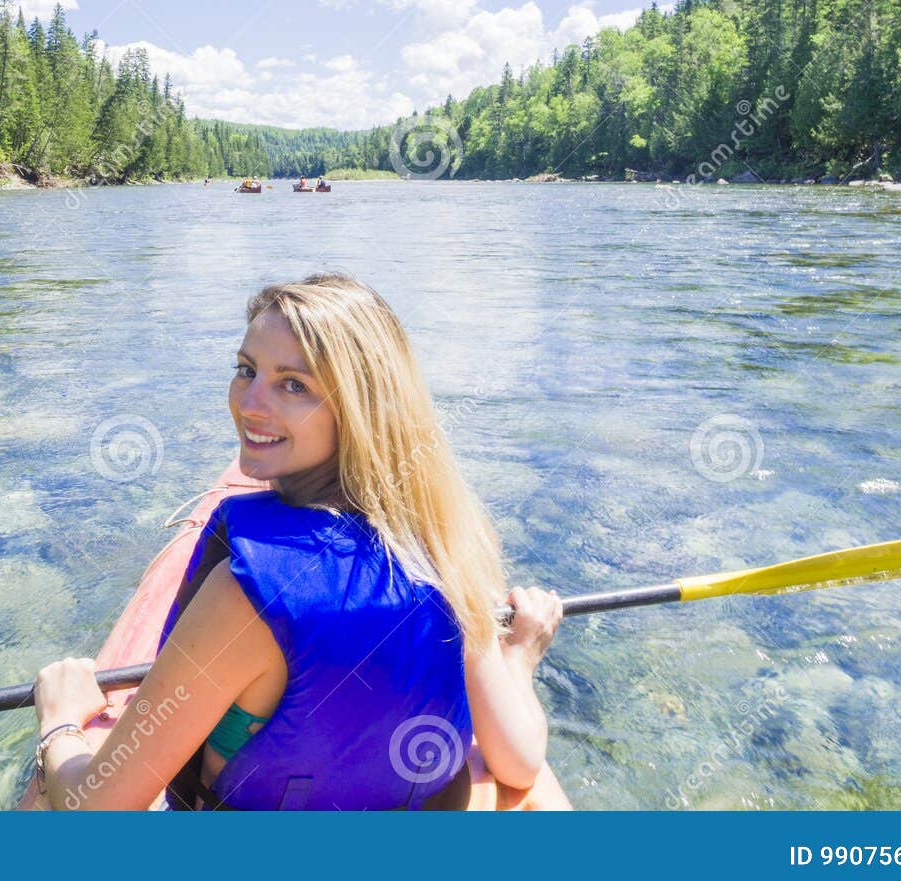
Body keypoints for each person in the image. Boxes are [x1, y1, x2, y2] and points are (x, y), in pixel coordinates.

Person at [30, 274, 569, 810]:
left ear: (360, 410)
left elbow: (96, 810)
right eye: (246, 371)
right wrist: (517, 660)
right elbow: (520, 760)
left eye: (294, 385)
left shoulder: (244, 595)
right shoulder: (448, 550)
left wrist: (59, 723)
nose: (250, 404)